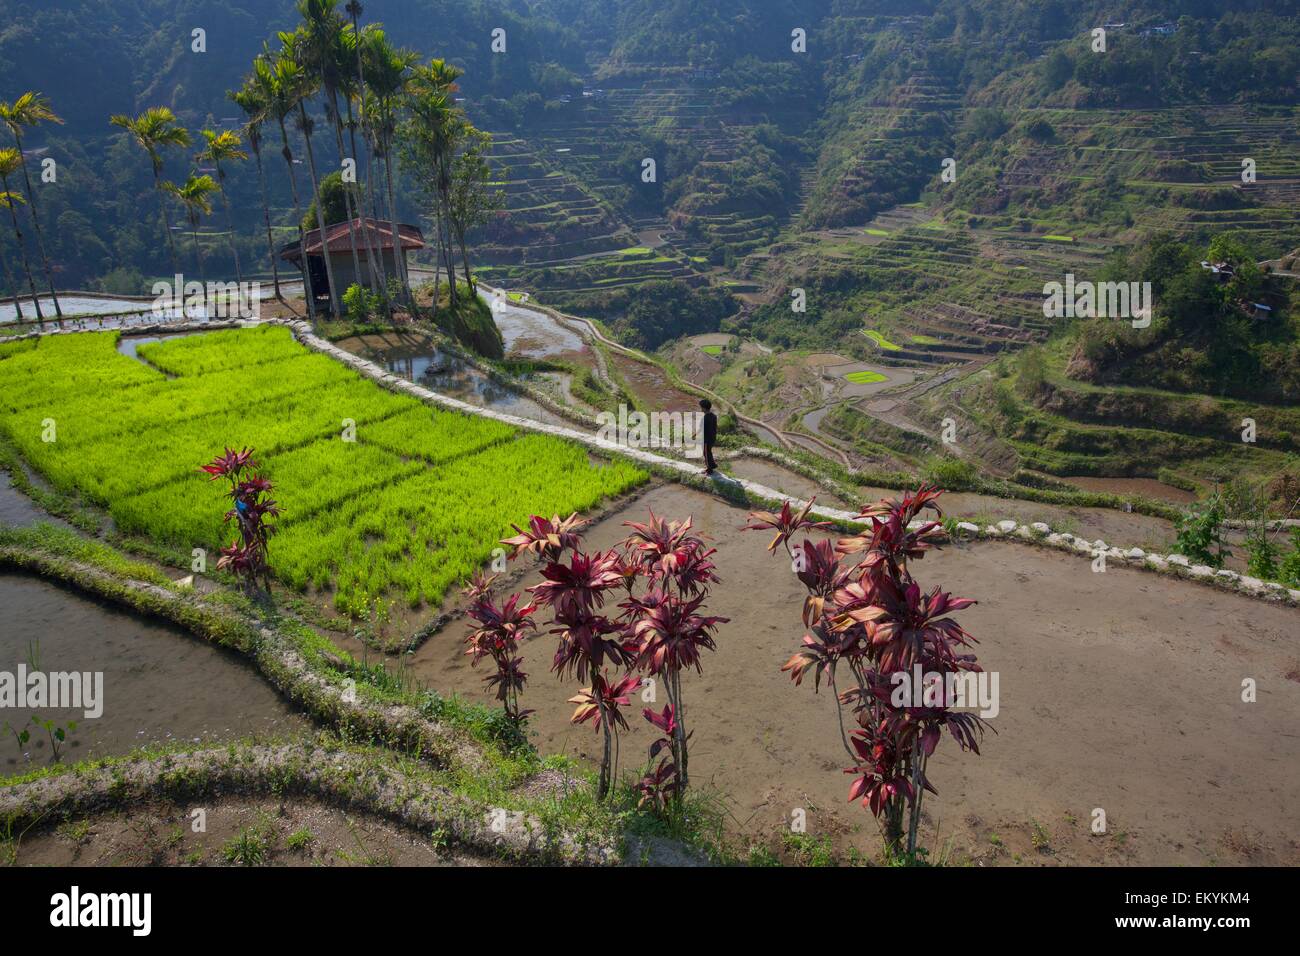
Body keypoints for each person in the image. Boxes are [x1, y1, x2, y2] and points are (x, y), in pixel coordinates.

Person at [700, 398, 718, 475]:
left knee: (706, 454)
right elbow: (715, 427)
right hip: (712, 438)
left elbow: (702, 429)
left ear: (704, 408)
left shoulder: (705, 418)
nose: (700, 409)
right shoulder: (713, 416)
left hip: (706, 439)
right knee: (709, 452)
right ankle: (713, 465)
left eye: (701, 407)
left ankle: (709, 469)